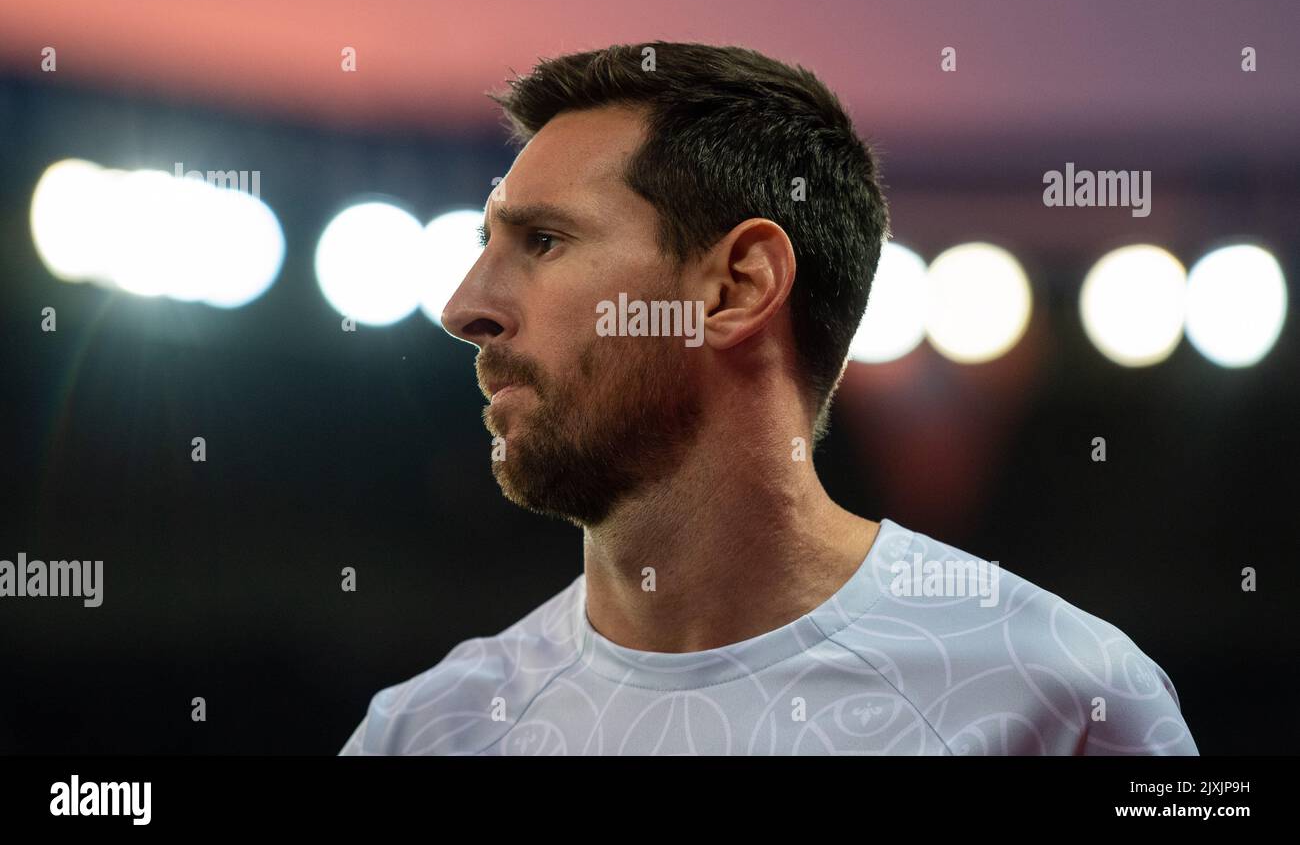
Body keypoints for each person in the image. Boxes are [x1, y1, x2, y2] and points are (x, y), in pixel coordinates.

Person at [339, 41, 1197, 755]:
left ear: (737, 288)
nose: (463, 309)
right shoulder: (424, 731)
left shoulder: (1067, 700)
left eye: (544, 241)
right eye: (483, 241)